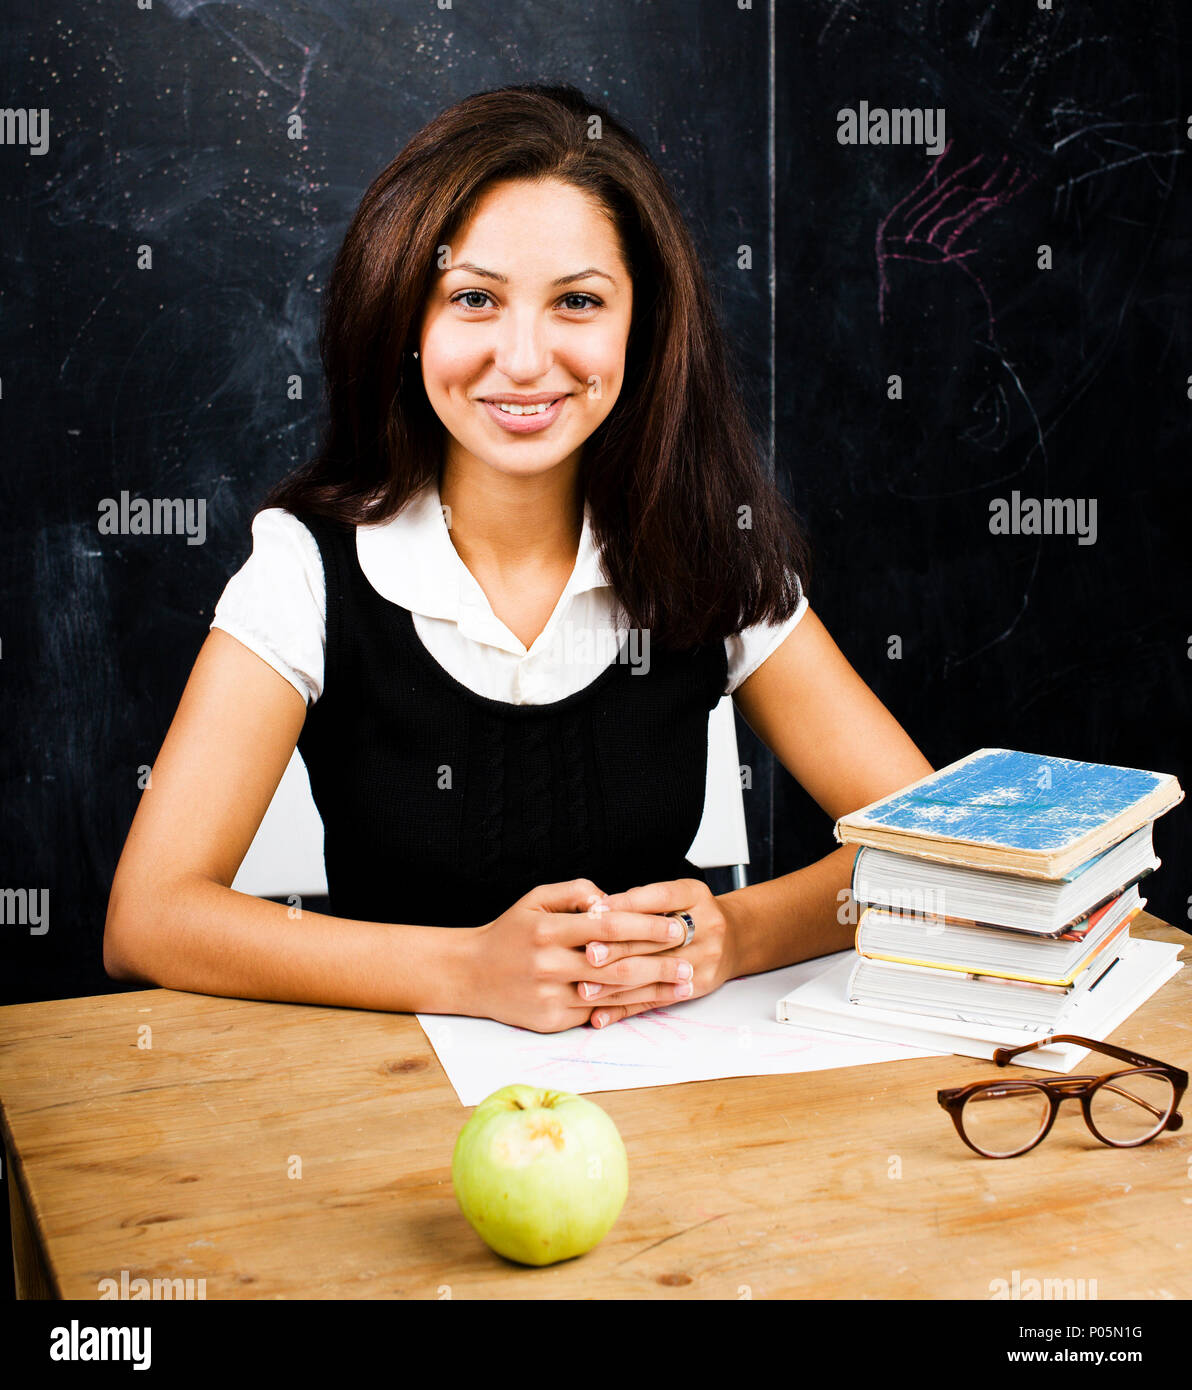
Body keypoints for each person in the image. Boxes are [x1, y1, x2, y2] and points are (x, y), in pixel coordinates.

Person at [103, 84, 932, 1034]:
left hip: (672, 1097)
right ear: (407, 321)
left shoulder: (709, 547)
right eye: (474, 299)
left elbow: (938, 851)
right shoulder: (307, 570)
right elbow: (148, 917)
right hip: (387, 1102)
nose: (526, 357)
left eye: (578, 301)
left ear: (643, 326)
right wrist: (467, 969)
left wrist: (733, 937)